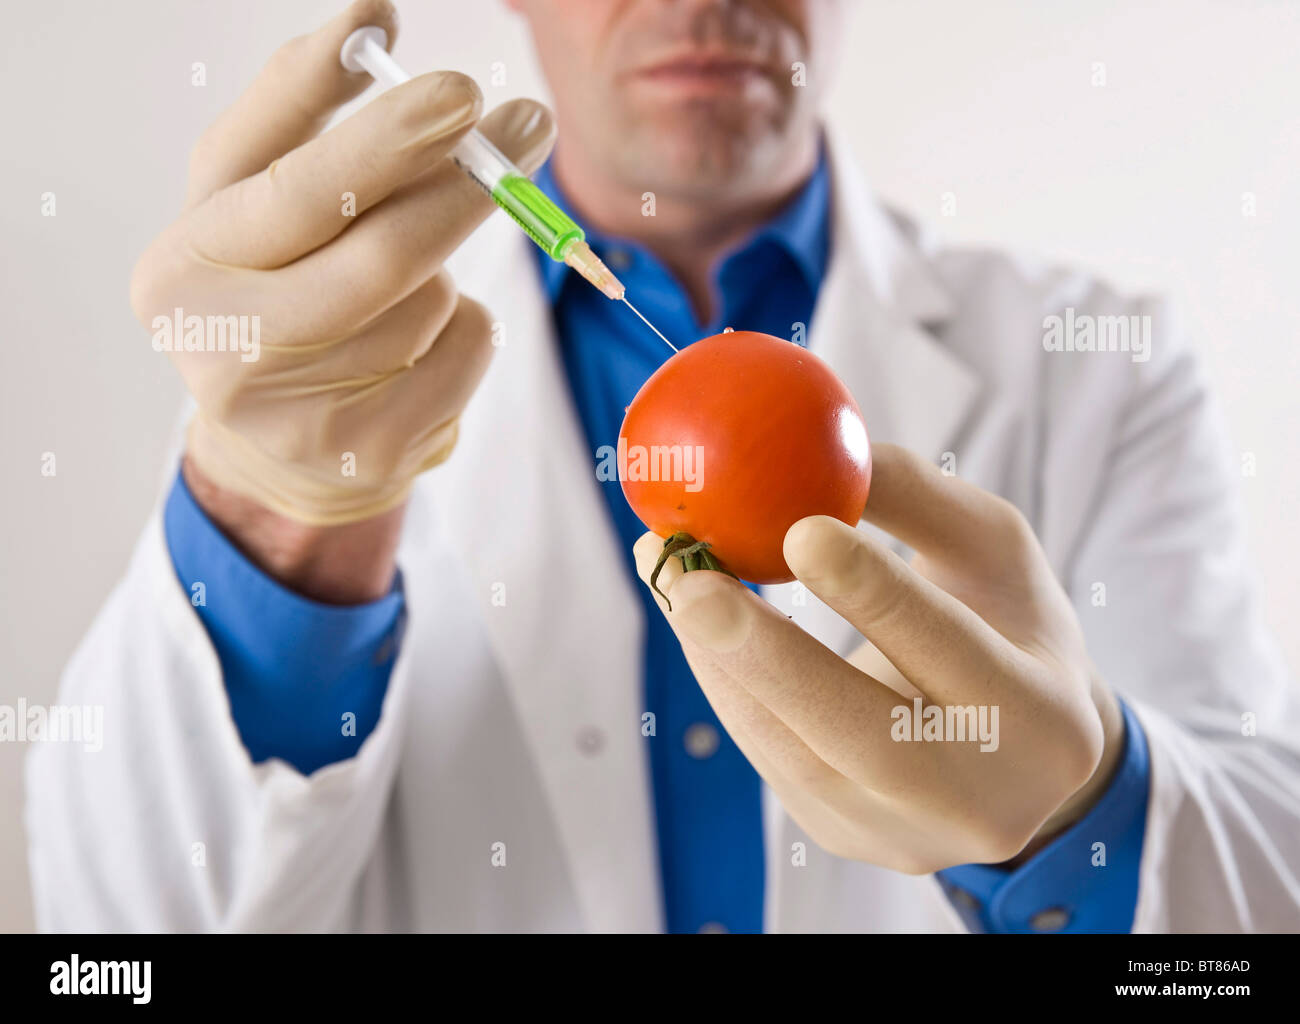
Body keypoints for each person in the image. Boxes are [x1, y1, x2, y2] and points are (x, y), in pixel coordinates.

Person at [26, 0, 1300, 933]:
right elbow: (123, 943)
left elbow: (1247, 928)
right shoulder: (325, 356)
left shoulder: (1101, 365)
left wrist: (1082, 819)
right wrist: (272, 524)